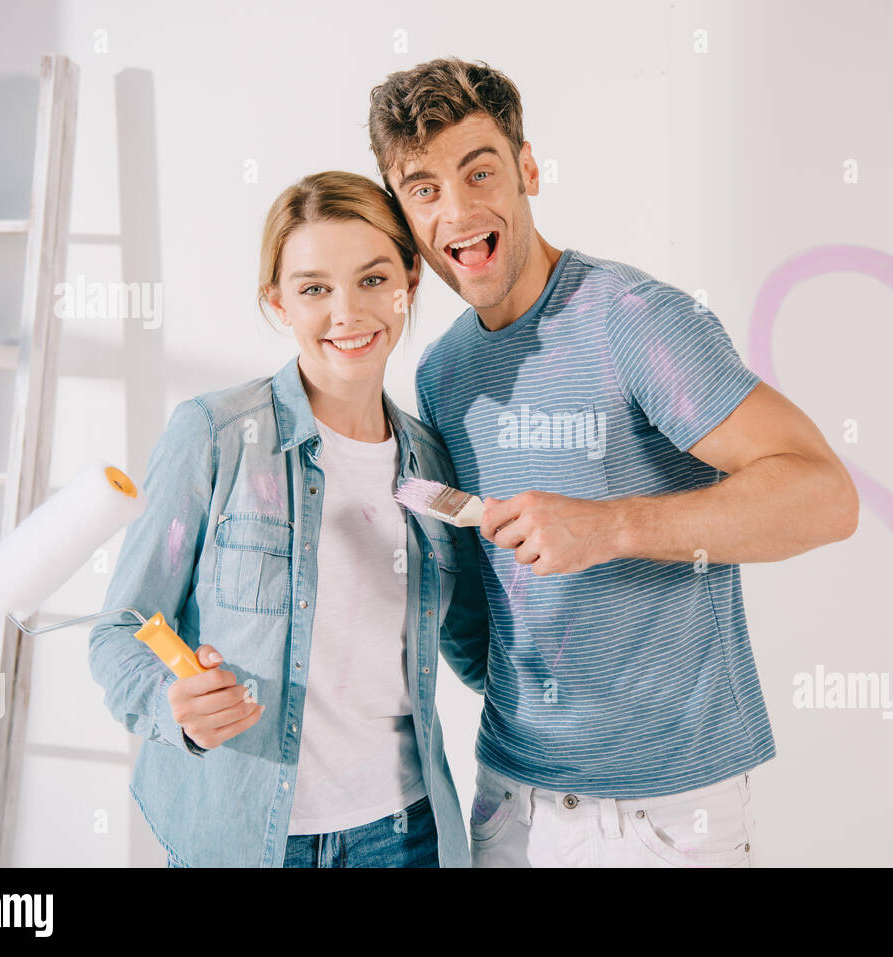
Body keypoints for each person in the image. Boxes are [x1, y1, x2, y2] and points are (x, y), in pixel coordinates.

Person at [367, 58, 860, 867]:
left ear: (528, 168)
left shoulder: (633, 320)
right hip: (510, 796)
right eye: (423, 188)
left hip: (662, 811)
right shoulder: (442, 371)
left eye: (478, 170)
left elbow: (824, 495)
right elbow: (484, 602)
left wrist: (612, 525)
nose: (456, 210)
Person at [87, 170, 489, 867]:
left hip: (406, 835)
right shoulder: (213, 436)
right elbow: (119, 630)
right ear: (277, 301)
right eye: (314, 288)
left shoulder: (434, 462)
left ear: (410, 281)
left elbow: (476, 650)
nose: (348, 313)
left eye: (371, 280)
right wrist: (171, 701)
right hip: (246, 839)